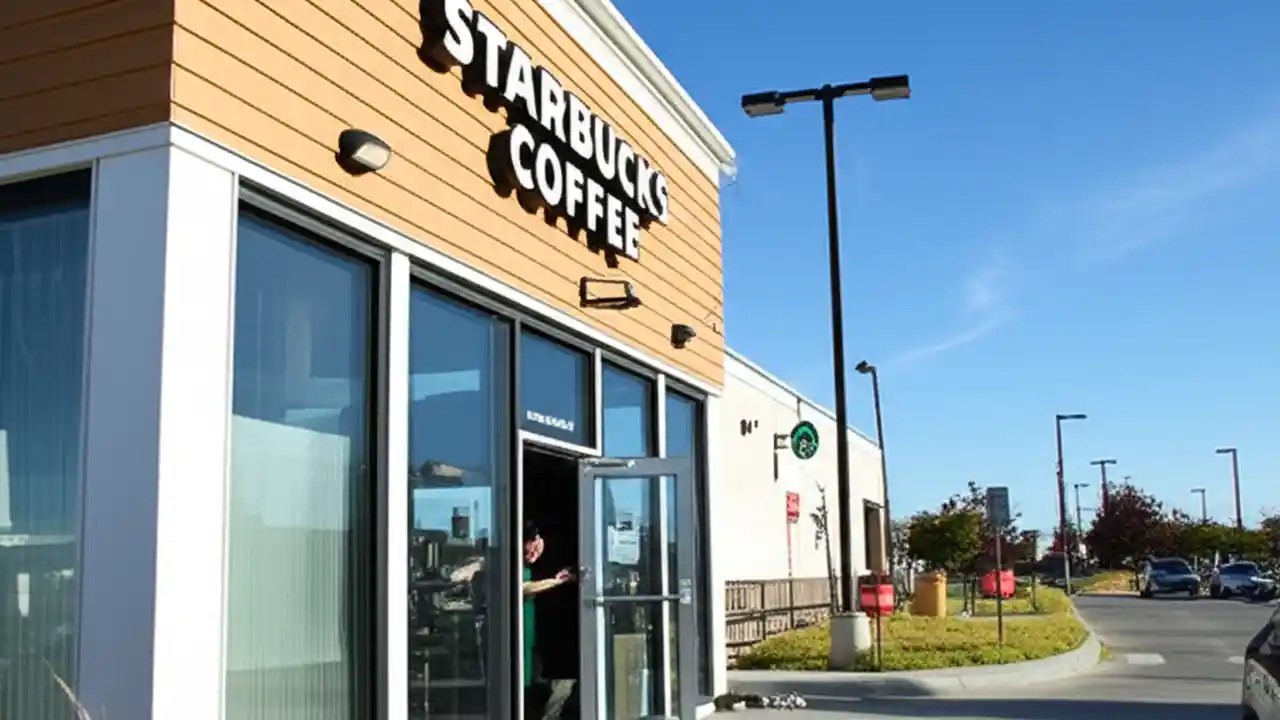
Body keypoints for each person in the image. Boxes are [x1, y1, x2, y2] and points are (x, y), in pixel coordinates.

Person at [522, 522, 576, 719]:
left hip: (554, 642)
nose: (531, 553)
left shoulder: (556, 551)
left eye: (532, 545)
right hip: (528, 645)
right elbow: (522, 588)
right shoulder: (515, 563)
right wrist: (557, 581)